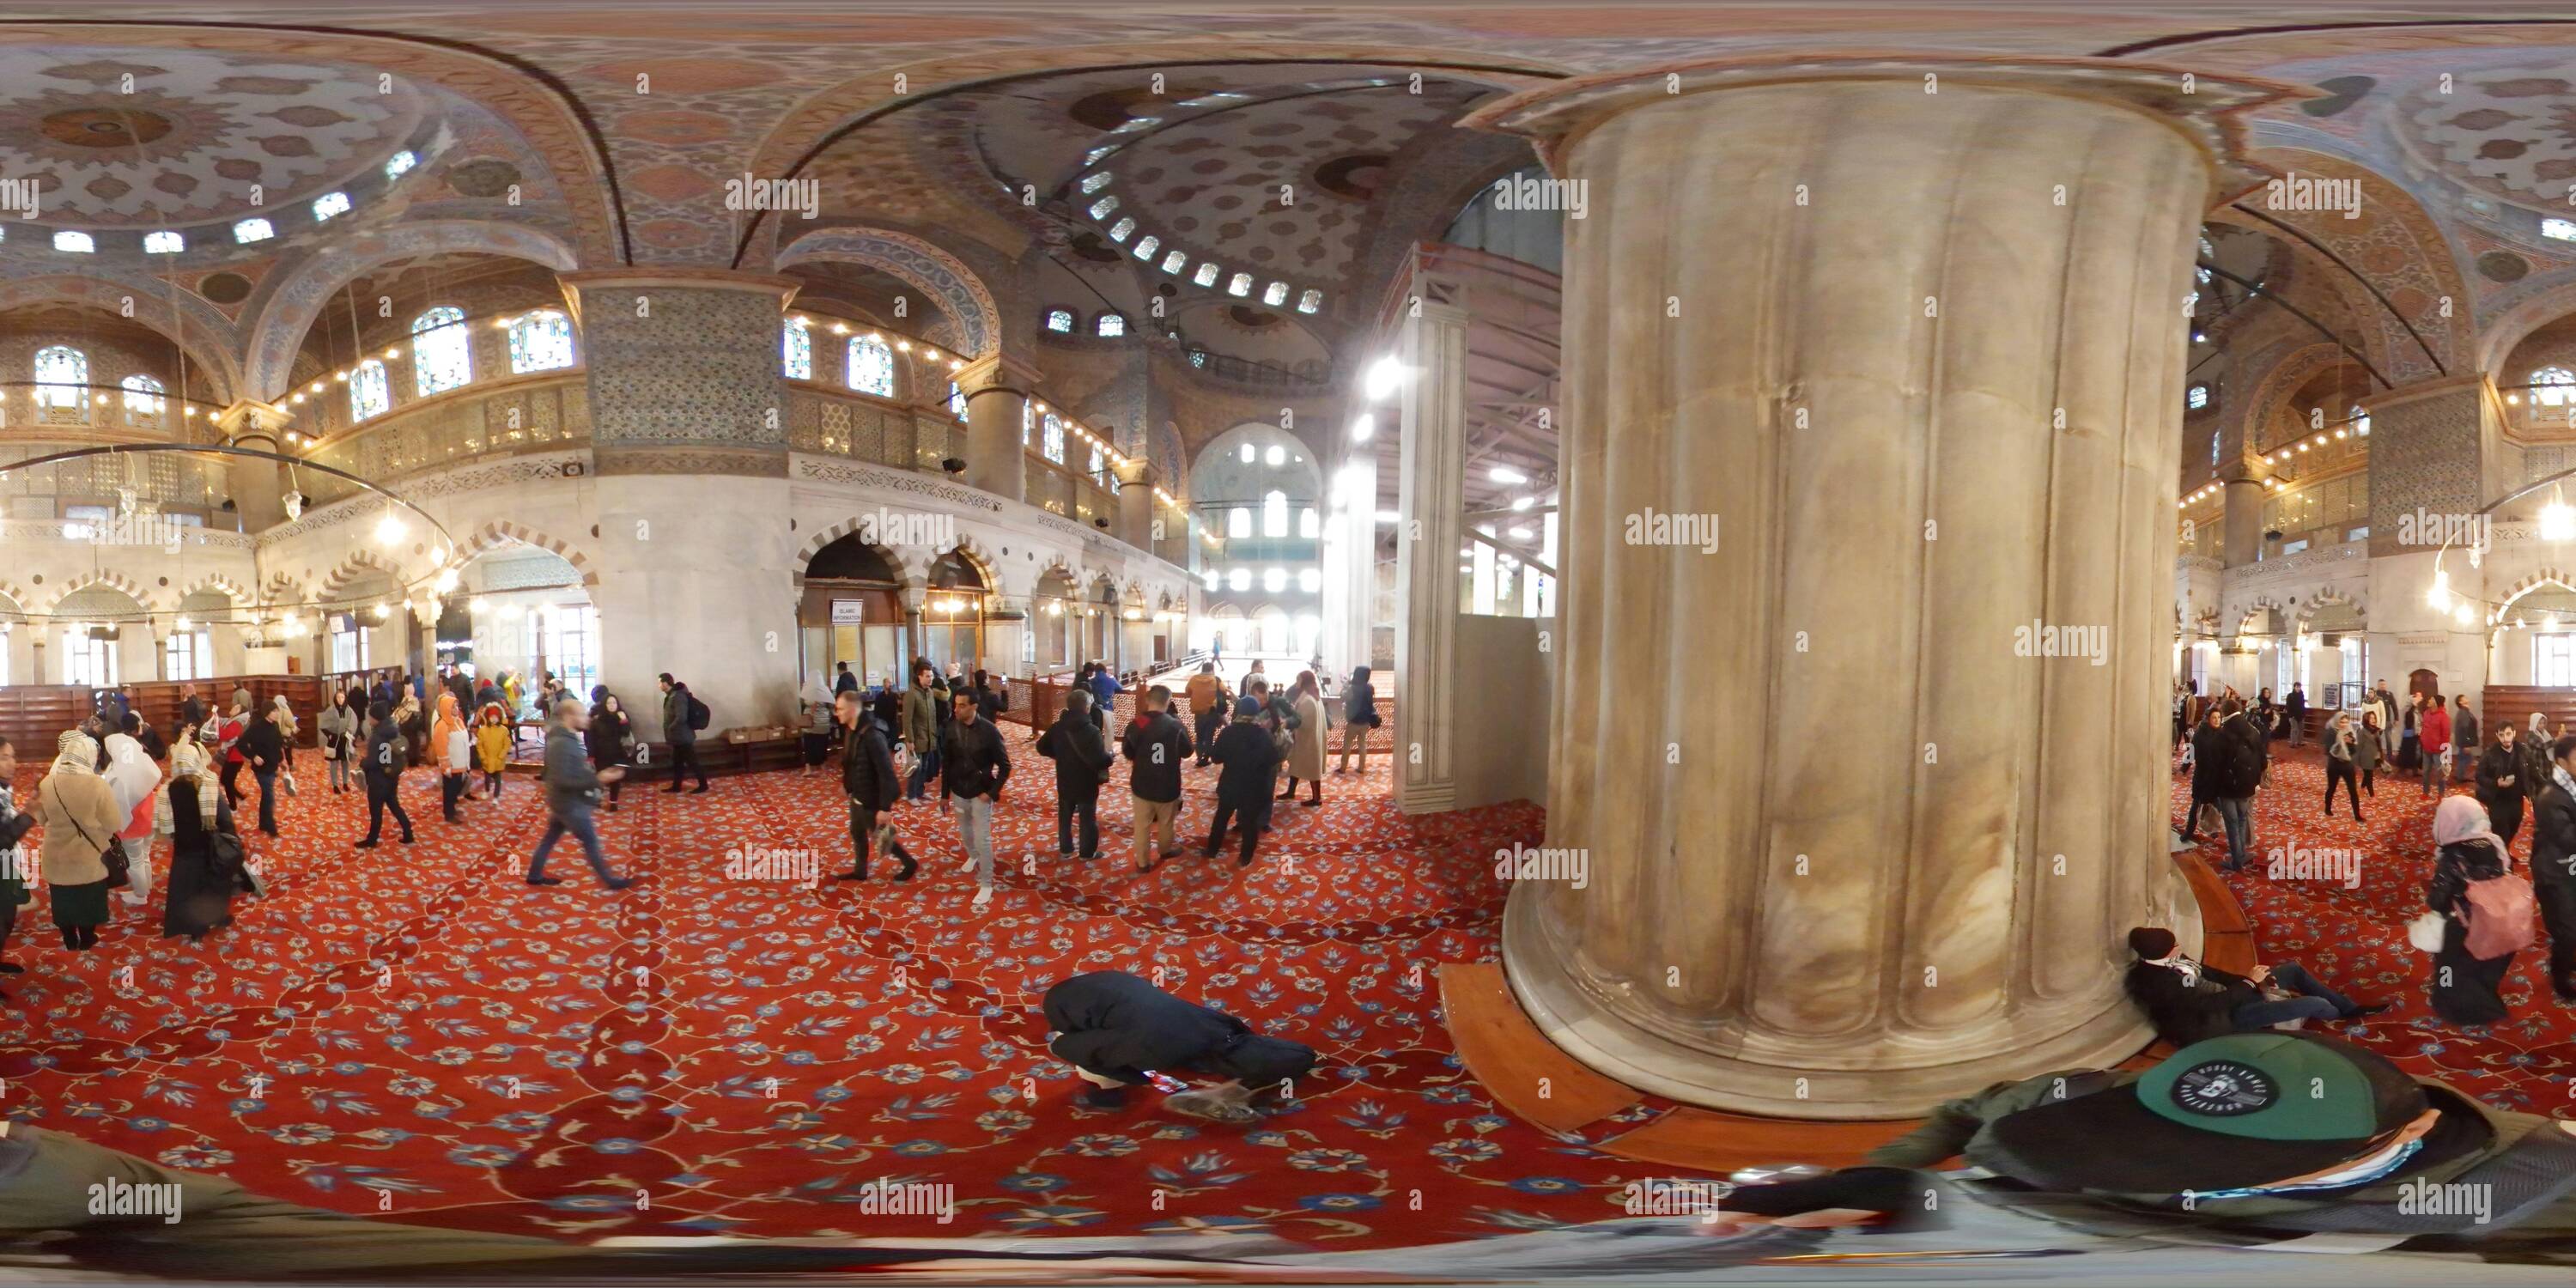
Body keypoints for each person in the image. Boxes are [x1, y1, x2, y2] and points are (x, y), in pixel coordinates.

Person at [1041, 969, 1318, 1120]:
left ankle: (1106, 1084)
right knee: (1064, 1046)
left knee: (1102, 1043)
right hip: (1075, 1004)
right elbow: (1142, 1071)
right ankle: (1106, 1092)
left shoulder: (1220, 1025)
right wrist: (1150, 1080)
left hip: (1112, 984)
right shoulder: (1161, 1050)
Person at [2122, 927, 2384, 1048]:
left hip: (2233, 997)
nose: (2179, 947)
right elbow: (2209, 1006)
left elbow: (2211, 973)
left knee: (2293, 970)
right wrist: (2249, 983)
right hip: (2220, 1021)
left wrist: (2251, 982)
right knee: (2316, 1004)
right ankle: (2337, 1014)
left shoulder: (2172, 958)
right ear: (2163, 952)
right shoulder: (2156, 983)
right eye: (2174, 946)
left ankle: (2348, 1007)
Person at [2426, 793, 2521, 1026]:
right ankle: (2484, 1005)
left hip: (2464, 925)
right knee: (2482, 969)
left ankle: (2447, 1003)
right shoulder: (2495, 845)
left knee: (2446, 966)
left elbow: (2438, 901)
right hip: (2498, 921)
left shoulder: (2452, 856)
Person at [527, 698, 630, 890]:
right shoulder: (562, 743)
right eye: (581, 714)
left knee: (549, 839)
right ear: (569, 716)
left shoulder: (564, 738)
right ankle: (611, 881)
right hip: (569, 804)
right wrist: (599, 779)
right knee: (590, 841)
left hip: (561, 801)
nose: (586, 718)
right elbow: (562, 780)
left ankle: (534, 875)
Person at [37, 730, 123, 951]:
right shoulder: (97, 784)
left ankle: (69, 938)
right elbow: (113, 822)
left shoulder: (47, 783)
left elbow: (40, 819)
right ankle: (86, 938)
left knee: (62, 900)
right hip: (89, 857)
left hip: (56, 857)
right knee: (88, 901)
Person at [161, 738, 240, 944]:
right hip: (208, 844)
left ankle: (190, 927)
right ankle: (214, 918)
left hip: (183, 845)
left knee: (185, 886)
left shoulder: (167, 789)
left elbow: (165, 824)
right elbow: (223, 817)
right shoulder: (209, 783)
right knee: (213, 885)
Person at [829, 689, 912, 883]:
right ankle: (860, 871)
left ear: (852, 709)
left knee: (883, 838)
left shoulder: (873, 735)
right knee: (857, 833)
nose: (836, 713)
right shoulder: (851, 730)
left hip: (872, 798)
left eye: (840, 709)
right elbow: (850, 762)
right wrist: (847, 786)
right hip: (858, 794)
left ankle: (909, 863)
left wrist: (885, 808)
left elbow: (886, 773)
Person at [940, 687, 1012, 908]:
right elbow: (947, 763)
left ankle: (986, 883)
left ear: (974, 707)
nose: (956, 709)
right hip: (958, 791)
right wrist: (944, 795)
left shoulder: (990, 731)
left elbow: (1005, 766)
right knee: (965, 831)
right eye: (955, 704)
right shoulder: (952, 728)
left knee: (983, 839)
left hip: (981, 793)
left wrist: (990, 793)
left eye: (962, 705)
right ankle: (972, 855)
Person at [1121, 683, 1192, 872]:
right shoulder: (1175, 725)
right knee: (1166, 822)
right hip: (1167, 783)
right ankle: (1165, 850)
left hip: (1142, 782)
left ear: (1147, 700)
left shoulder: (1138, 723)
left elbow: (1127, 752)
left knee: (1141, 825)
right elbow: (1187, 752)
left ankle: (1143, 863)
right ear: (1168, 702)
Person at [1036, 689, 1111, 861]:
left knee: (1065, 816)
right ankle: (1087, 853)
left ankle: (1066, 849)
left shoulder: (1057, 727)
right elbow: (1100, 760)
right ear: (1087, 707)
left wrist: (1058, 754)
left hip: (1065, 778)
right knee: (1087, 818)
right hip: (1086, 781)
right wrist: (1110, 758)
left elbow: (1041, 747)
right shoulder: (1092, 731)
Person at [1207, 695, 1281, 867]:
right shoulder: (1263, 734)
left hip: (1230, 785)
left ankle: (1212, 850)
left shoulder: (1228, 732)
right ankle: (1245, 857)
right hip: (1254, 788)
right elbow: (1274, 759)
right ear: (1256, 713)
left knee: (1221, 819)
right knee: (1250, 823)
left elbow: (1216, 758)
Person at [2530, 732, 2576, 1001]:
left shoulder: (2570, 786)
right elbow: (2569, 839)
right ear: (2562, 762)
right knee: (2567, 930)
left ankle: (2567, 959)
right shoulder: (2549, 797)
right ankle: (2560, 980)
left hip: (2568, 868)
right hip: (2553, 873)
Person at [355, 699, 415, 849]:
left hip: (379, 780)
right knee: (395, 806)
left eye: (370, 716)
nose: (369, 719)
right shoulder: (391, 729)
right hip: (391, 777)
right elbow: (386, 759)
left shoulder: (379, 736)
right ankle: (408, 832)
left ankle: (372, 840)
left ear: (376, 717)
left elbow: (378, 761)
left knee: (376, 812)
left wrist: (363, 763)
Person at [1277, 670, 1327, 808]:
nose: (1296, 683)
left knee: (1312, 770)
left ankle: (1317, 799)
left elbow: (1302, 722)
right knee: (1296, 765)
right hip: (1307, 738)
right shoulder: (1311, 695)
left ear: (1304, 681)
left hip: (1308, 740)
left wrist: (1288, 723)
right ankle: (1291, 792)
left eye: (1298, 680)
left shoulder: (1308, 699)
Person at [238, 698, 285, 838]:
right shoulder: (256, 727)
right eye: (274, 711)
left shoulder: (275, 725)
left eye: (277, 711)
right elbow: (241, 743)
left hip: (272, 766)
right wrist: (253, 756)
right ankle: (270, 826)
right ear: (267, 712)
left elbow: (278, 745)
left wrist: (281, 761)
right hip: (262, 769)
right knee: (269, 797)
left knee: (266, 796)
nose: (277, 713)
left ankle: (263, 823)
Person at [2479, 721, 2531, 846]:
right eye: (2501, 735)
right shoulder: (2490, 753)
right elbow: (2479, 776)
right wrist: (2495, 783)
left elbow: (2533, 772)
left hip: (2517, 800)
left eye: (2508, 734)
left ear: (2514, 733)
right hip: (2497, 800)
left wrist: (2540, 788)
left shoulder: (2523, 751)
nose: (2505, 738)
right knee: (2501, 833)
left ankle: (2504, 850)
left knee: (2514, 827)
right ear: (2497, 735)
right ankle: (2502, 855)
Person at [658, 673, 711, 793]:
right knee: (678, 763)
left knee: (692, 762)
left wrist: (671, 727)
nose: (659, 685)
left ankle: (703, 785)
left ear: (666, 683)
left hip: (683, 736)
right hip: (677, 737)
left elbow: (681, 717)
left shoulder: (678, 696)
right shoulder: (672, 695)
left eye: (660, 682)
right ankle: (676, 786)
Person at [899, 663, 942, 803]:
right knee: (915, 768)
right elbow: (907, 719)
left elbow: (933, 716)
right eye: (927, 676)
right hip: (917, 738)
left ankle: (920, 791)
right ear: (919, 677)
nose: (930, 679)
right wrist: (910, 740)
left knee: (925, 767)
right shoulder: (911, 694)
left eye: (931, 676)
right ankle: (911, 795)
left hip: (929, 737)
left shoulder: (930, 692)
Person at [587, 692, 634, 811]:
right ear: (604, 705)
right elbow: (591, 739)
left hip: (617, 752)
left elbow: (626, 733)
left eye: (614, 703)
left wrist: (623, 720)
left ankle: (613, 802)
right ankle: (597, 800)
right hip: (601, 753)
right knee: (600, 778)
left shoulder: (621, 717)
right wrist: (591, 755)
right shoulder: (598, 720)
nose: (612, 705)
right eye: (609, 703)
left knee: (615, 779)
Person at [430, 693, 470, 824]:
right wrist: (445, 766)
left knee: (456, 788)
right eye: (453, 707)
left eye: (457, 706)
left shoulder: (459, 721)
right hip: (451, 764)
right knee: (450, 790)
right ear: (446, 708)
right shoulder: (442, 725)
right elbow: (441, 747)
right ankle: (449, 813)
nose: (456, 709)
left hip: (461, 762)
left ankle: (451, 809)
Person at [2323, 710, 2366, 823]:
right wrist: (2340, 743)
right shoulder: (2331, 732)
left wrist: (2350, 743)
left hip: (2347, 765)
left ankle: (2357, 815)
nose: (2344, 724)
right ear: (2337, 721)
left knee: (2353, 791)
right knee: (2331, 788)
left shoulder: (2349, 731)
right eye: (2342, 722)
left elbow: (2353, 751)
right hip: (2334, 765)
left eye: (2346, 722)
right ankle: (2327, 808)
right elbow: (2328, 750)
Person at [1334, 665, 1375, 775]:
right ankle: (1361, 767)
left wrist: (1345, 686)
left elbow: (1343, 697)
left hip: (1353, 721)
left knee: (1347, 744)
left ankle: (1343, 768)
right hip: (1366, 721)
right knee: (1362, 744)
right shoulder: (1370, 688)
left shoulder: (1352, 688)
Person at [318, 689, 357, 795]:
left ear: (345, 698)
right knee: (334, 764)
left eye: (342, 697)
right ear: (335, 698)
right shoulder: (331, 710)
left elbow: (353, 723)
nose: (340, 699)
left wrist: (348, 732)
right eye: (338, 697)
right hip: (334, 740)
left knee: (345, 763)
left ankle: (345, 783)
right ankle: (335, 785)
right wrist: (329, 735)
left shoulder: (349, 710)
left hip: (345, 740)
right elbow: (323, 725)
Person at [1185, 662, 1224, 768]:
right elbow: (1223, 691)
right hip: (1211, 713)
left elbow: (1187, 692)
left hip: (1198, 713)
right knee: (1209, 737)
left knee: (1199, 737)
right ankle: (1205, 759)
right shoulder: (1216, 680)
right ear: (1212, 669)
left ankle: (1199, 757)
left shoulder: (1193, 679)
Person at [473, 702, 512, 800]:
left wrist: (501, 756)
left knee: (498, 779)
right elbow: (479, 745)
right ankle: (486, 790)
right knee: (487, 778)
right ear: (487, 717)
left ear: (499, 717)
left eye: (496, 717)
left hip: (499, 760)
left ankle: (496, 796)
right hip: (487, 760)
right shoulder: (483, 730)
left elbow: (507, 745)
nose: (493, 719)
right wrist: (483, 757)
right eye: (491, 717)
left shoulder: (504, 730)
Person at [215, 698, 246, 810]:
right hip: (231, 757)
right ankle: (241, 797)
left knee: (227, 782)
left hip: (235, 759)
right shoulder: (231, 721)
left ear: (240, 714)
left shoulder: (237, 723)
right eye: (234, 706)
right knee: (225, 780)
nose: (233, 708)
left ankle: (233, 807)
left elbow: (226, 735)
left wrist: (217, 724)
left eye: (237, 708)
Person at [2452, 694, 2481, 788]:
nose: (2467, 698)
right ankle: (2460, 777)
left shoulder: (2465, 711)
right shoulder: (2463, 712)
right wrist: (2466, 744)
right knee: (2466, 759)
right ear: (2460, 702)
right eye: (2464, 698)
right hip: (2464, 742)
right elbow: (2464, 728)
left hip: (2464, 741)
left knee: (2465, 758)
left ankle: (2460, 775)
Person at [799, 697, 833, 775]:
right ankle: (823, 765)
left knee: (808, 745)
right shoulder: (825, 694)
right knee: (822, 744)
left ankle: (808, 768)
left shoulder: (807, 694)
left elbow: (801, 703)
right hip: (823, 722)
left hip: (809, 721)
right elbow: (831, 706)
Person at [2356, 707, 2385, 799]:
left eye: (2374, 718)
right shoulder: (2362, 732)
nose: (2373, 720)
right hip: (2365, 757)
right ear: (2366, 719)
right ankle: (2372, 797)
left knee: (2368, 774)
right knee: (2369, 777)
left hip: (2374, 756)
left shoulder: (2376, 730)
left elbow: (2378, 744)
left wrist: (2380, 755)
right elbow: (2359, 746)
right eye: (2371, 718)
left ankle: (2362, 787)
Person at [2284, 681, 2307, 747]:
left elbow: (2302, 705)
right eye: (2297, 687)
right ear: (2294, 687)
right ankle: (2293, 743)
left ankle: (2300, 742)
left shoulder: (2302, 695)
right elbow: (2288, 706)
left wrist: (2303, 714)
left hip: (2301, 715)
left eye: (2299, 687)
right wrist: (2291, 715)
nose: (2298, 688)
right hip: (2293, 716)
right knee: (2294, 729)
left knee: (2301, 729)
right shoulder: (2290, 696)